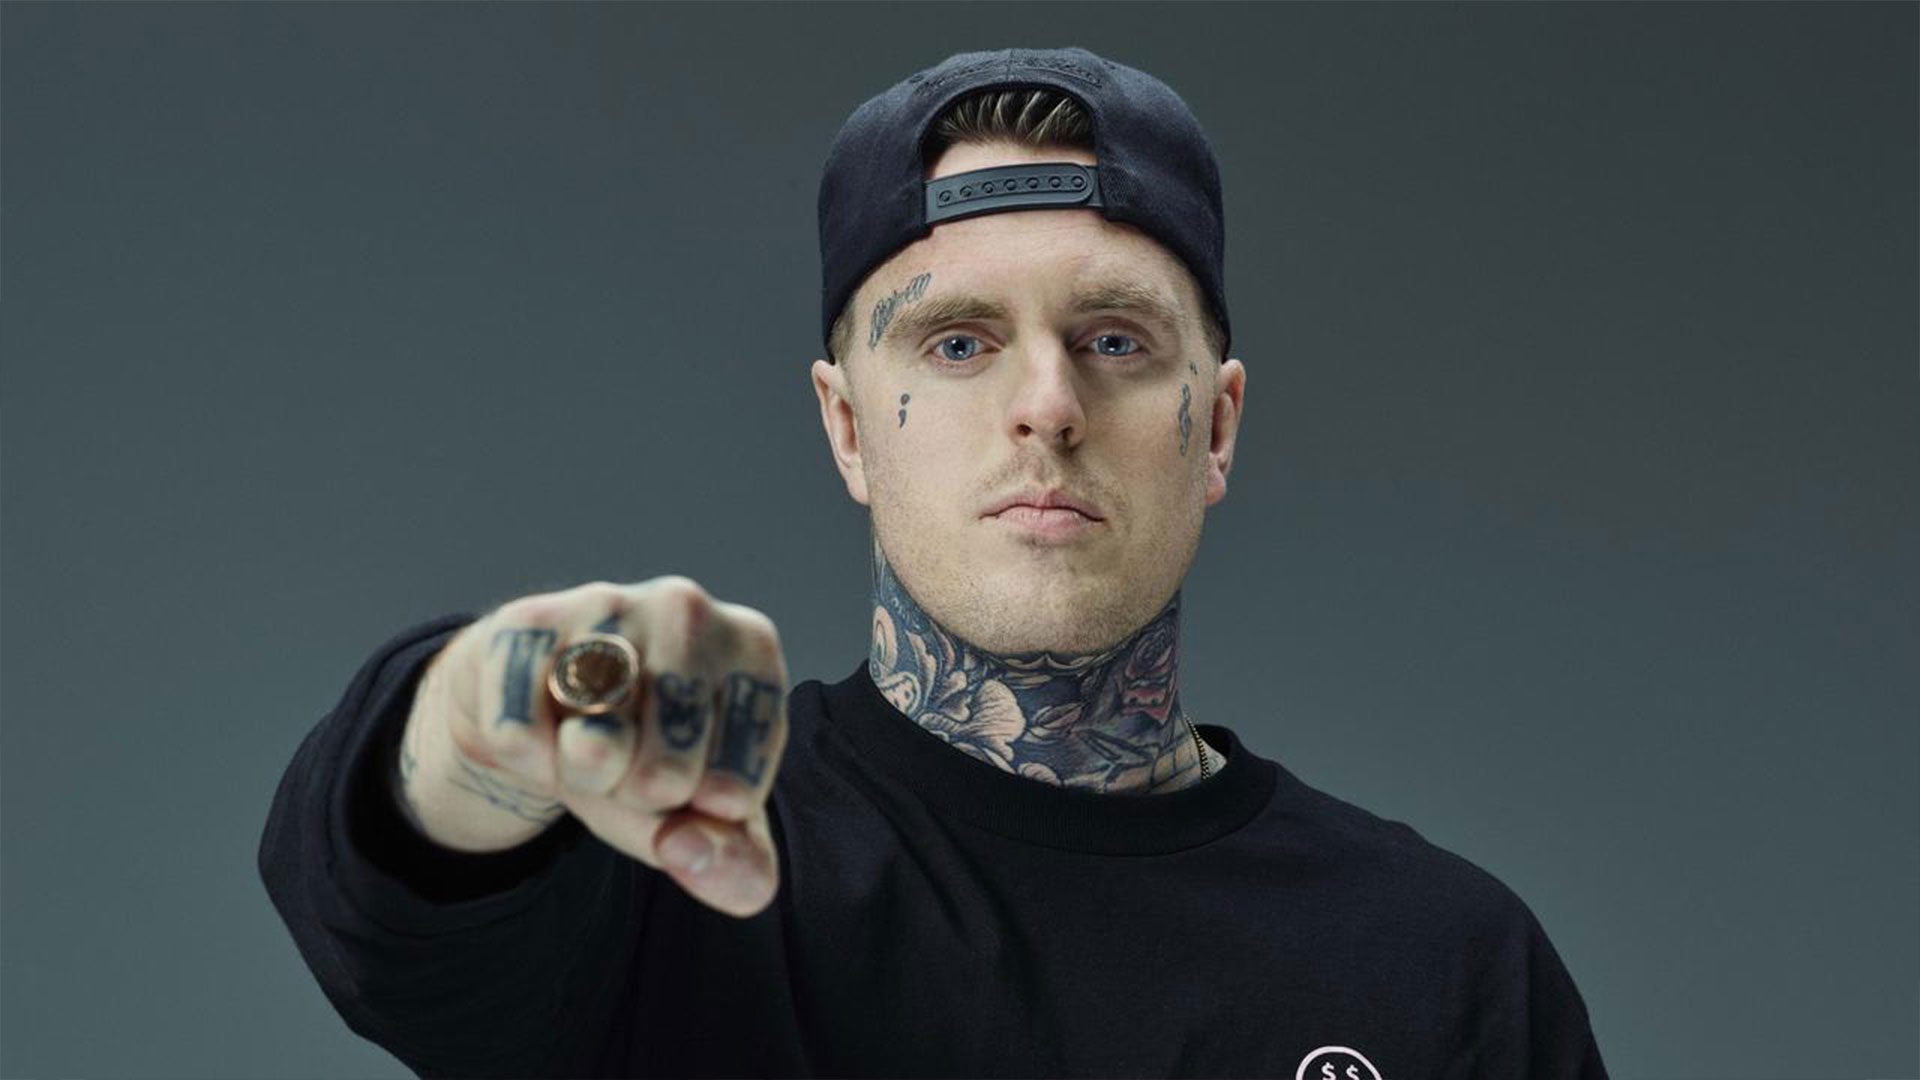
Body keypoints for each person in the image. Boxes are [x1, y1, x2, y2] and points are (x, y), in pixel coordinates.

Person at [258, 45, 1610, 1079]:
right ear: (849, 428)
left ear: (1217, 425)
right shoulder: (675, 861)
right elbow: (382, 908)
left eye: (1117, 341)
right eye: (958, 343)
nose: (1049, 405)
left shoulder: (1445, 961)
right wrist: (487, 714)